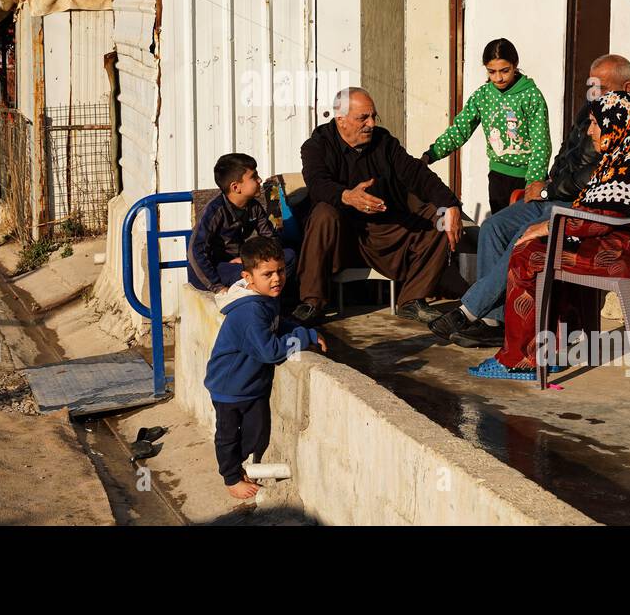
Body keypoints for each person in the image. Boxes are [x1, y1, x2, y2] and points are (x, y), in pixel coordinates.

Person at [431, 54, 630, 348]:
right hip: (555, 195)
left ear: (627, 86)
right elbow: (566, 154)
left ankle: (468, 311)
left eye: (602, 87)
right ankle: (495, 321)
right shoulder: (592, 108)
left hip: (579, 206)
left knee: (523, 236)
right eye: (591, 86)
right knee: (494, 226)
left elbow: (594, 174)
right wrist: (546, 184)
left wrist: (548, 191)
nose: (594, 93)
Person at [468, 90, 630, 380]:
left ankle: (521, 359)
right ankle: (550, 352)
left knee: (530, 254)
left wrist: (546, 227)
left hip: (629, 254)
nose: (590, 130)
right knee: (550, 245)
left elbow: (604, 216)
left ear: (616, 124)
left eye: (595, 123)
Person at [295, 86, 462, 325]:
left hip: (384, 228)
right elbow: (317, 183)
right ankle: (312, 301)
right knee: (323, 213)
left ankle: (412, 300)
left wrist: (451, 204)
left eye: (374, 116)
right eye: (363, 118)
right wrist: (347, 196)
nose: (371, 124)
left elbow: (417, 174)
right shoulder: (317, 145)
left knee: (440, 218)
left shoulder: (384, 141)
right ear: (341, 120)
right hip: (342, 234)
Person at [204, 237, 325, 499]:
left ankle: (239, 465)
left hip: (252, 385)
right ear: (248, 277)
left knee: (256, 434)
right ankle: (231, 477)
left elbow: (278, 325)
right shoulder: (248, 310)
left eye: (280, 270)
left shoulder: (266, 298)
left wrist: (307, 332)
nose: (276, 279)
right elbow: (270, 350)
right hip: (229, 386)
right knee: (227, 435)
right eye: (267, 274)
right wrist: (304, 338)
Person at [420, 38, 551, 216]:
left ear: (515, 64)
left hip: (526, 179)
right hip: (497, 178)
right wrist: (432, 154)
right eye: (492, 72)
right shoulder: (483, 96)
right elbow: (460, 129)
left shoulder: (531, 96)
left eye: (504, 71)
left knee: (521, 234)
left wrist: (534, 182)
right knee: (498, 229)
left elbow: (541, 144)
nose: (498, 78)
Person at [188, 152, 296, 296]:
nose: (260, 180)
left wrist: (248, 258)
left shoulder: (254, 207)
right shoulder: (215, 211)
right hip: (214, 269)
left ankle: (277, 307)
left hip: (241, 263)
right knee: (250, 276)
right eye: (253, 177)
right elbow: (196, 252)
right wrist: (217, 287)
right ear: (235, 187)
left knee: (288, 256)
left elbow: (271, 239)